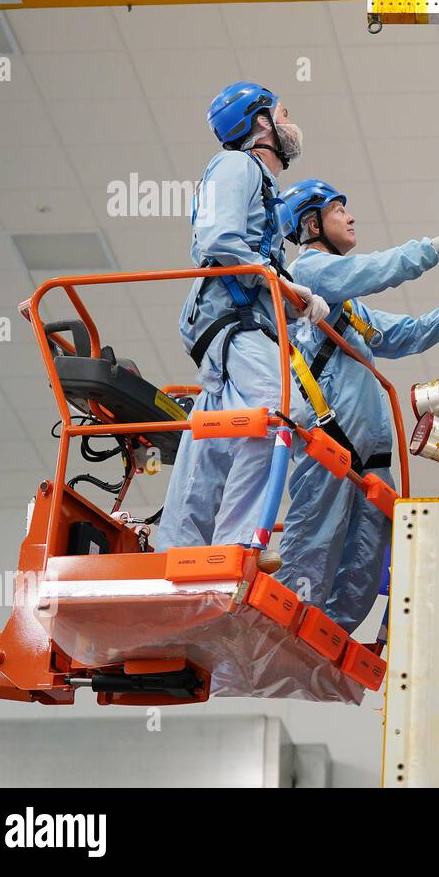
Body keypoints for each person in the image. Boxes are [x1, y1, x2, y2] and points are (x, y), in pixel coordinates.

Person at [275, 177, 439, 632]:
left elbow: (404, 335)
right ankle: (286, 628)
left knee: (367, 552)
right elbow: (381, 269)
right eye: (339, 209)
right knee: (315, 541)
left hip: (368, 457)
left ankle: (330, 633)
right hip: (330, 443)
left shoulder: (345, 305)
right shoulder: (310, 274)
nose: (351, 215)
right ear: (311, 223)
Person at [158, 82, 330, 553]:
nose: (290, 121)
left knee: (218, 430)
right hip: (230, 316)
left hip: (233, 317)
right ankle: (235, 546)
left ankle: (178, 547)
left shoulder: (260, 182)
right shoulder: (236, 165)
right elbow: (218, 240)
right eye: (283, 112)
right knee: (284, 412)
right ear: (261, 122)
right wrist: (283, 284)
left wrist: (288, 297)